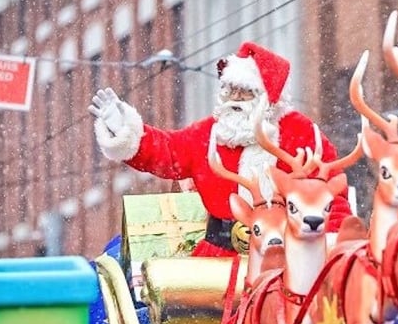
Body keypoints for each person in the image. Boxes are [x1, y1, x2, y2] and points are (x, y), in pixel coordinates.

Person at [88, 42, 352, 258]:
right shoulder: (210, 134)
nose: (235, 98)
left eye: (245, 91)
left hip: (287, 256)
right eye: (230, 89)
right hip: (218, 261)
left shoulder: (301, 134)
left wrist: (334, 247)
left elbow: (331, 196)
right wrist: (123, 128)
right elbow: (166, 151)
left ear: (268, 97)